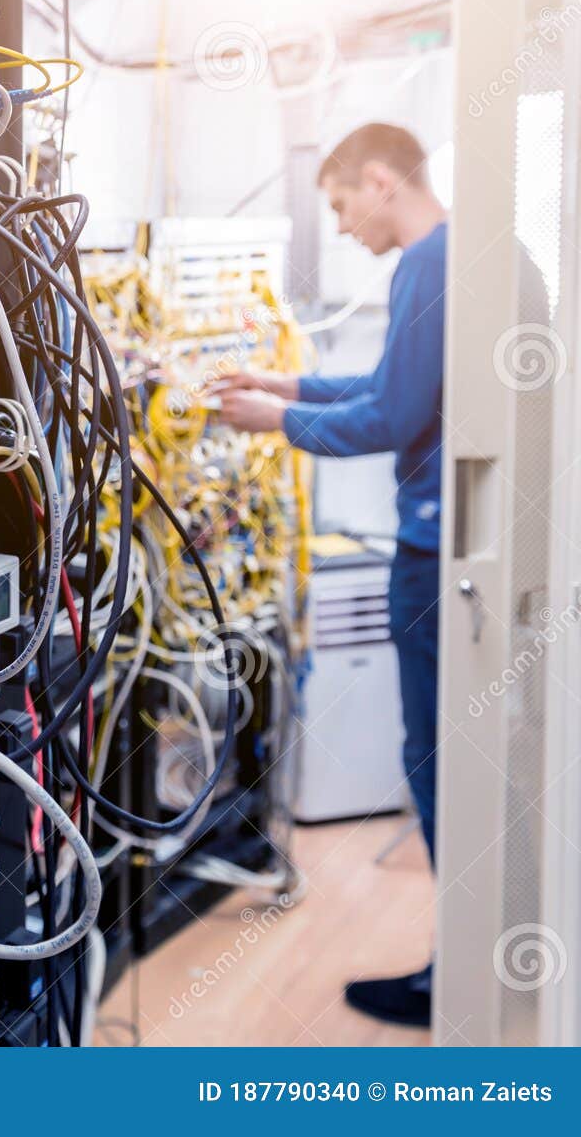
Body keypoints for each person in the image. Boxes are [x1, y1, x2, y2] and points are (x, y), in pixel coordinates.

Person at [212, 122, 445, 1028]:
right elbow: (391, 387)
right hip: (442, 546)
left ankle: (451, 973)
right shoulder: (454, 257)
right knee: (436, 755)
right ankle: (467, 958)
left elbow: (389, 419)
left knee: (431, 757)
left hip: (432, 556)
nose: (344, 226)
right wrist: (289, 384)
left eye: (344, 205)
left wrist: (276, 422)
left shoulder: (428, 263)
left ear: (380, 181)